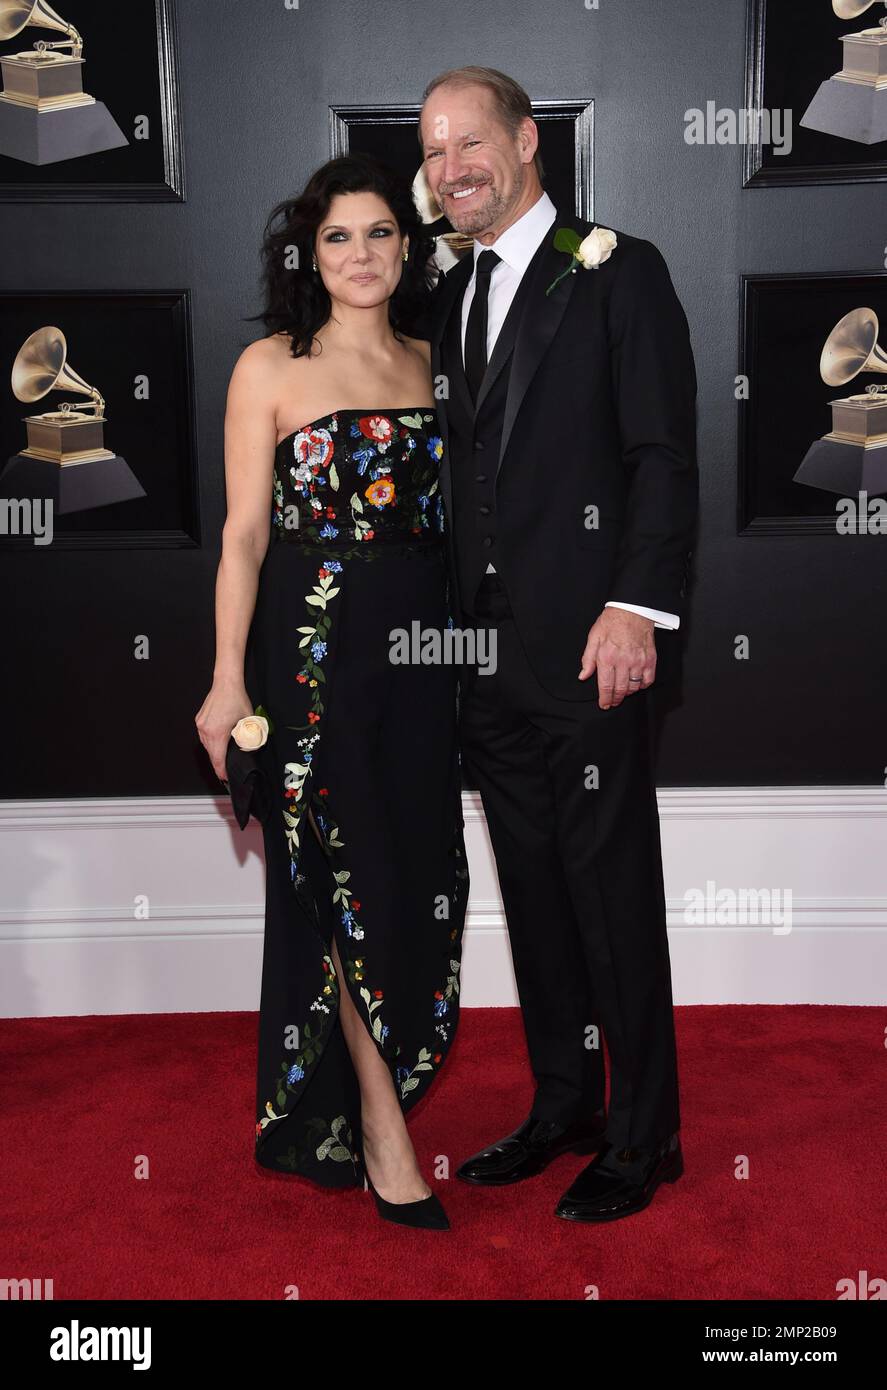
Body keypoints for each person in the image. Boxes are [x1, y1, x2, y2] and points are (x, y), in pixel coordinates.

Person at [420, 67, 698, 1222]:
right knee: (530, 889)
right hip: (476, 663)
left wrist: (635, 605)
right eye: (432, 155)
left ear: (528, 141)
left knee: (607, 886)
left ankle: (645, 1137)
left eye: (469, 144)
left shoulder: (615, 271)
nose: (450, 171)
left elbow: (660, 456)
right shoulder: (443, 297)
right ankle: (563, 1102)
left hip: (589, 650)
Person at [195, 153, 468, 1231]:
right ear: (310, 257)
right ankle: (384, 1135)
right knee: (340, 876)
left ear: (409, 250)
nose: (360, 255)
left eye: (379, 235)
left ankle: (370, 1090)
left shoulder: (437, 360)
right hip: (310, 652)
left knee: (409, 873)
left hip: (422, 651)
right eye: (337, 239)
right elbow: (244, 536)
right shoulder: (268, 366)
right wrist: (225, 681)